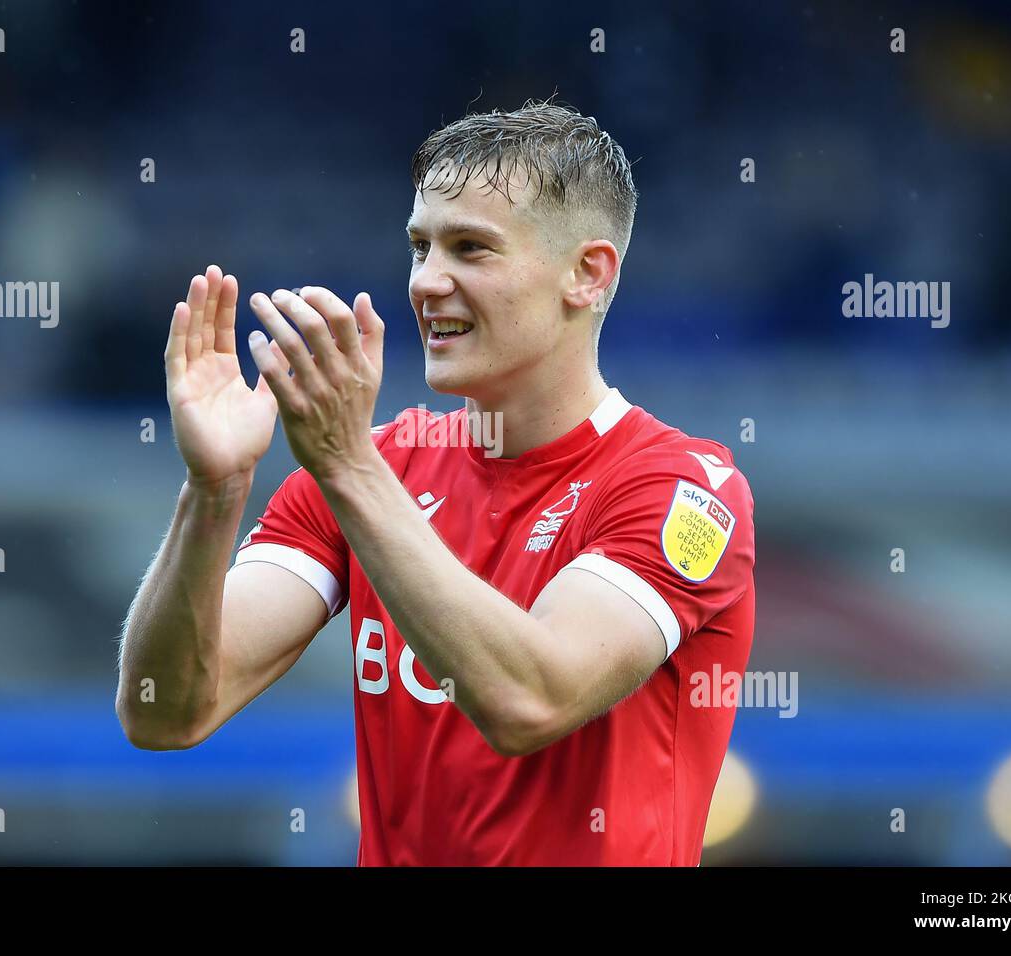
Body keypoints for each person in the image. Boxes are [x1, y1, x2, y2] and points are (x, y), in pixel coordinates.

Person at [116, 100, 756, 866]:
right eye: (420, 246)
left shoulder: (682, 489)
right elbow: (166, 712)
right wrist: (214, 491)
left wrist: (349, 468)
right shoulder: (368, 468)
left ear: (587, 275)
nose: (427, 282)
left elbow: (531, 700)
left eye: (470, 249)